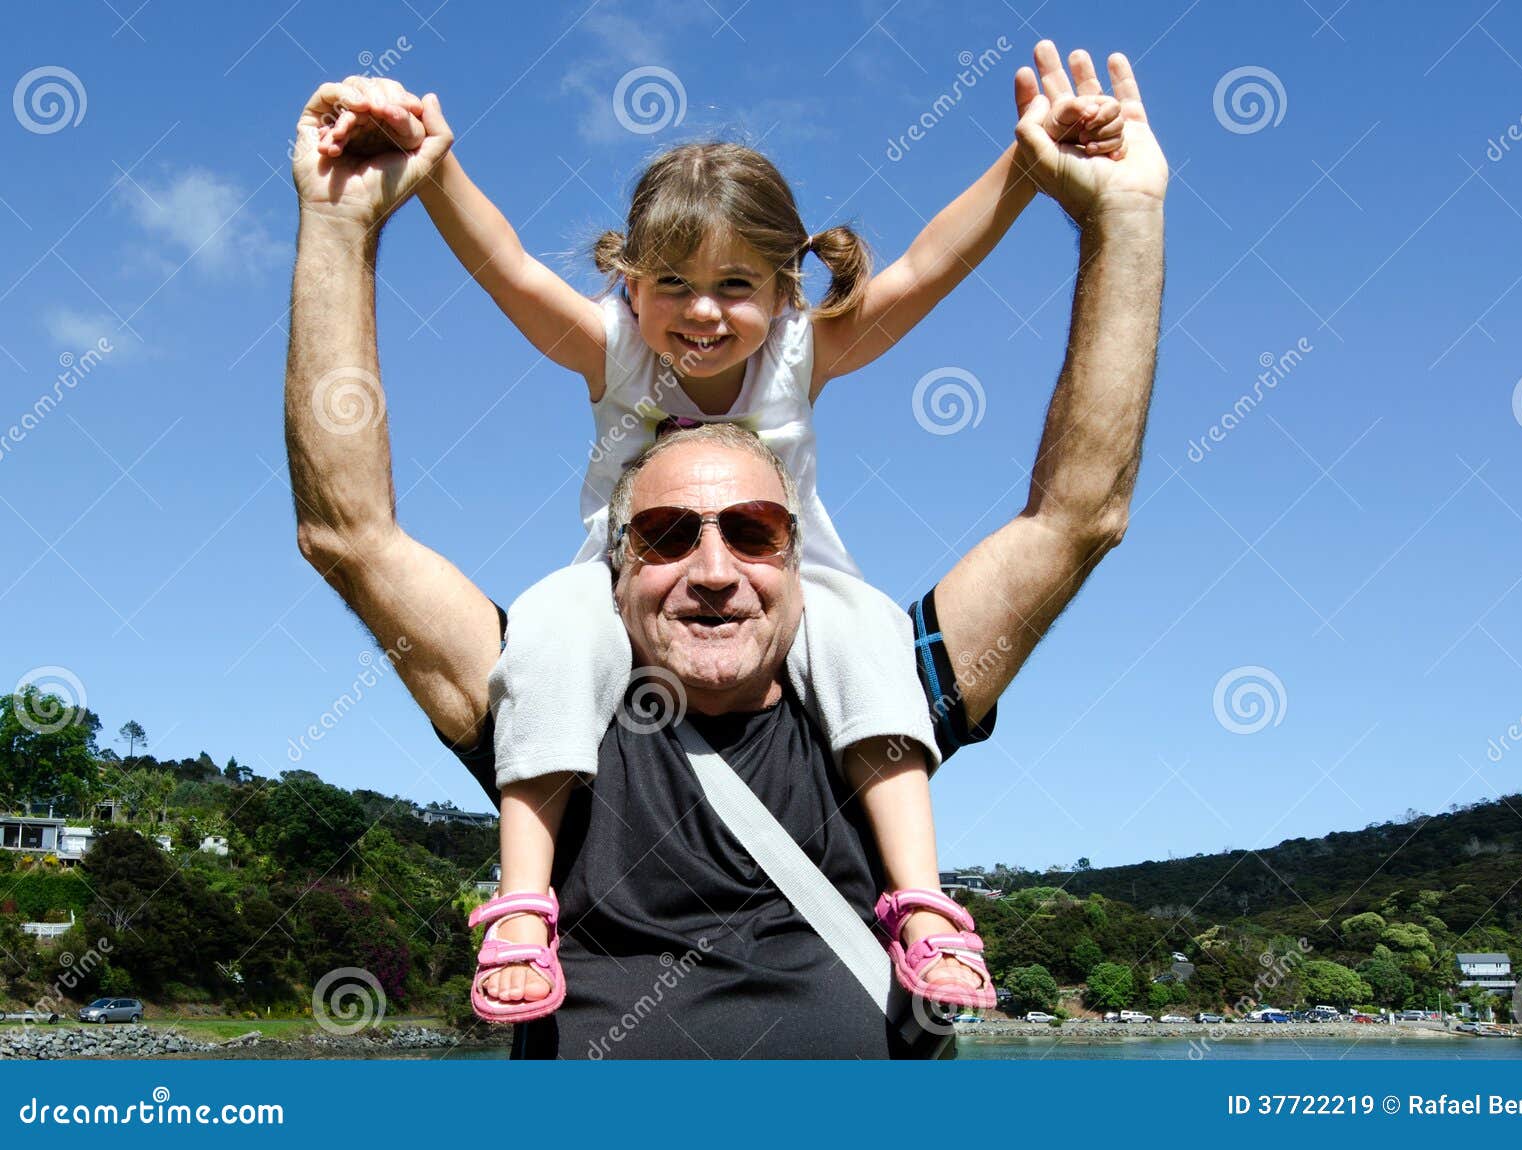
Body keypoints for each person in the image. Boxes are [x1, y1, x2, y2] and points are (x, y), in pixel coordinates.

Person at [284, 39, 1168, 1057]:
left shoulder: (865, 659)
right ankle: (519, 903)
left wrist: (1110, 209)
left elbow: (1077, 506)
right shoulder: (550, 686)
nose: (711, 569)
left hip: (838, 631)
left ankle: (923, 901)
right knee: (551, 629)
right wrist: (354, 213)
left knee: (868, 627)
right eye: (663, 534)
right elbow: (351, 525)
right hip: (581, 635)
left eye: (752, 530)